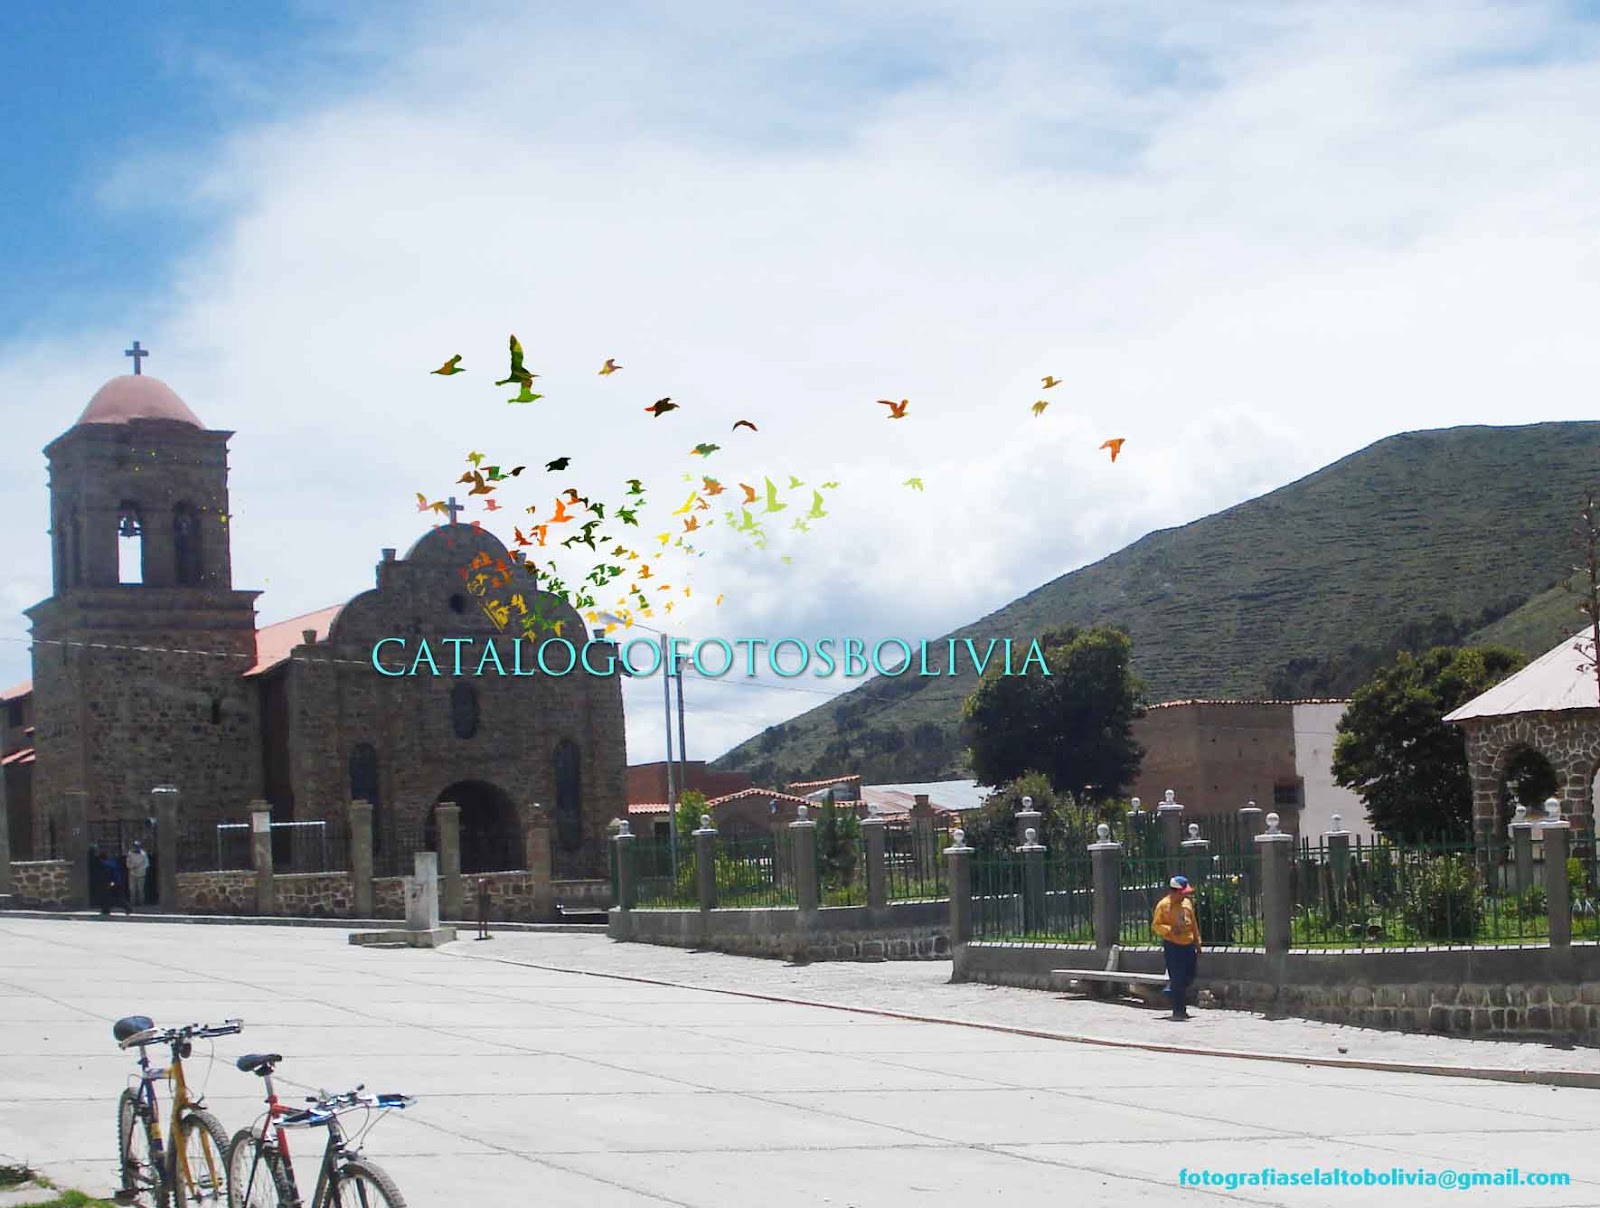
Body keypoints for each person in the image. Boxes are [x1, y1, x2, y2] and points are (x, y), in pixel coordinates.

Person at [1151, 874, 1201, 1020]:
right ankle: (1179, 1011)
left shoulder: (1187, 903)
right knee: (1177, 978)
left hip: (1188, 945)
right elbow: (1156, 925)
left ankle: (1172, 989)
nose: (1184, 895)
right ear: (1174, 891)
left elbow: (1193, 923)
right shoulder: (1163, 905)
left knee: (1190, 975)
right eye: (1182, 893)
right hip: (1173, 946)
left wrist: (1197, 942)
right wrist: (1170, 930)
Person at [125, 842, 150, 910]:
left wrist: (140, 867)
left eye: (137, 846)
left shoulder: (143, 854)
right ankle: (132, 903)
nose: (136, 848)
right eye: (135, 846)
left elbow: (147, 864)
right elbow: (127, 864)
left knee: (140, 889)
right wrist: (132, 866)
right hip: (132, 874)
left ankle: (141, 903)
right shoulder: (130, 854)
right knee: (132, 889)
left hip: (141, 874)